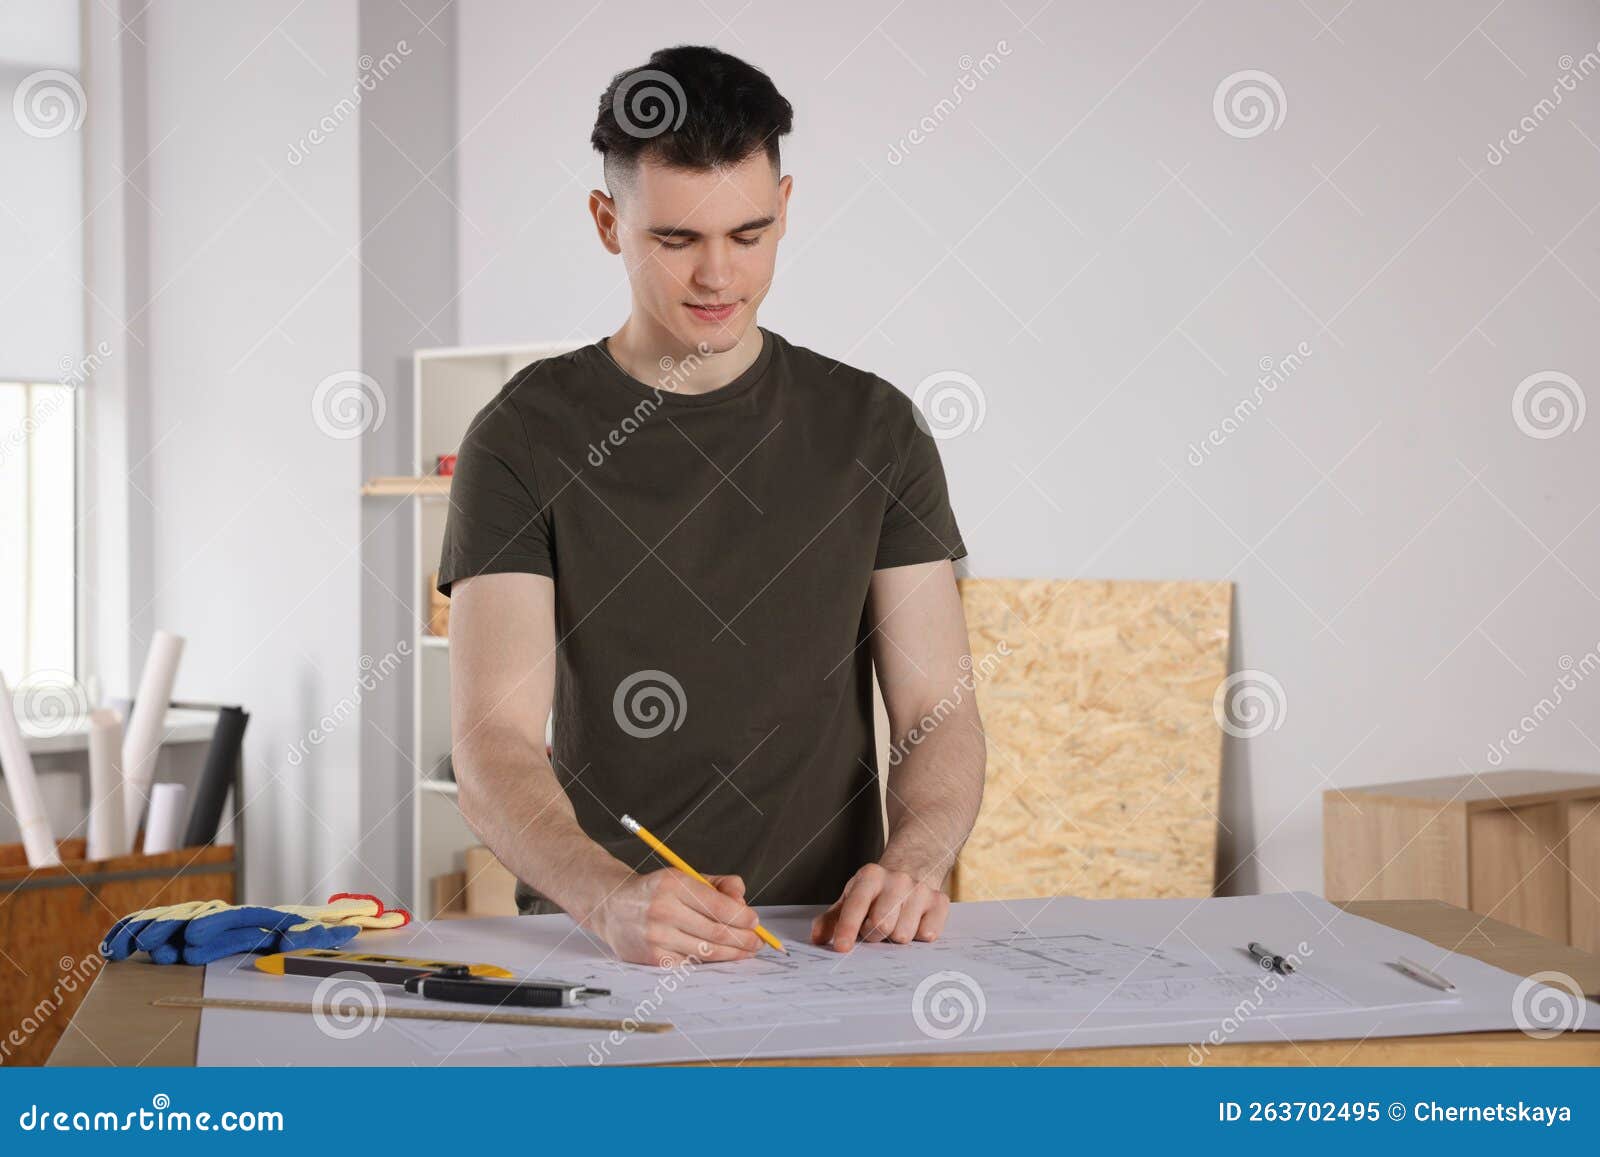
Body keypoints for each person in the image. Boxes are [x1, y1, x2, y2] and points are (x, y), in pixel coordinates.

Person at [438, 44, 985, 967]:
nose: (718, 278)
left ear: (786, 210)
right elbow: (492, 742)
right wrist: (607, 897)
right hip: (603, 941)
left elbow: (937, 705)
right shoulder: (521, 436)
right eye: (676, 239)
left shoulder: (876, 426)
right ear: (608, 222)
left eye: (748, 234)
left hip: (827, 942)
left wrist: (916, 860)